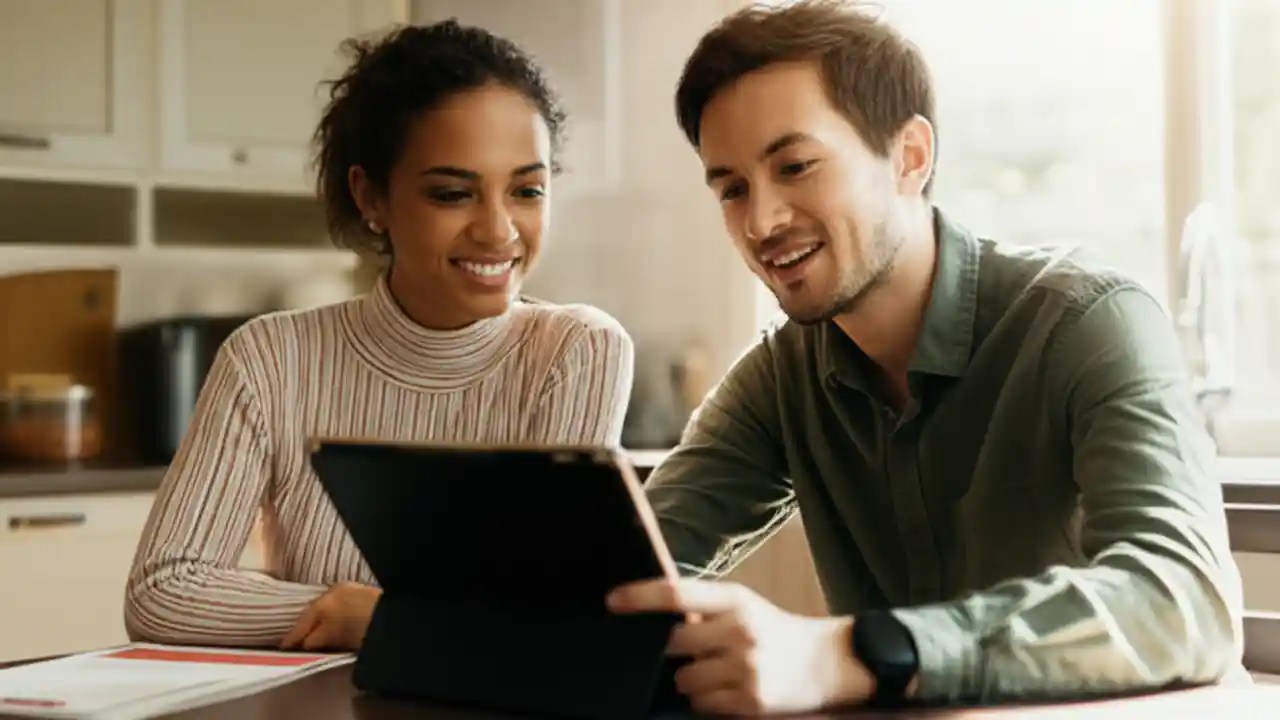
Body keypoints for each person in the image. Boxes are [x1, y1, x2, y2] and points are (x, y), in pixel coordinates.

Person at [606, 1, 1245, 715]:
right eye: (732, 189)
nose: (761, 221)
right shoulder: (779, 378)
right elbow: (625, 572)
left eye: (795, 166)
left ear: (909, 157)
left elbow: (1180, 596)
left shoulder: (1091, 322)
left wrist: (852, 652)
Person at [125, 20, 634, 652]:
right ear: (371, 197)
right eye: (453, 193)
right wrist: (337, 608)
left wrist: (384, 618)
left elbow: (545, 613)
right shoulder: (269, 358)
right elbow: (163, 590)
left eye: (527, 190)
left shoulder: (577, 350)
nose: (499, 231)